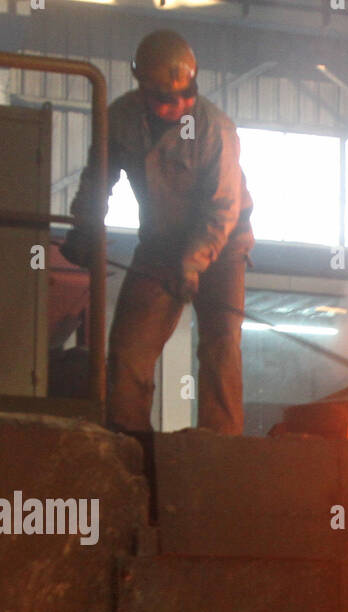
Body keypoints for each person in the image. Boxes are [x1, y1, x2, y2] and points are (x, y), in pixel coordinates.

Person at [62, 30, 254, 436]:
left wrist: (193, 263)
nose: (180, 105)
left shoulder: (215, 131)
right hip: (159, 245)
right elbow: (98, 180)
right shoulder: (121, 120)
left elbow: (222, 208)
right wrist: (85, 227)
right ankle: (129, 446)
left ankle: (220, 449)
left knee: (220, 347)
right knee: (129, 351)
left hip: (222, 247)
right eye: (167, 99)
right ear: (143, 89)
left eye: (187, 94)